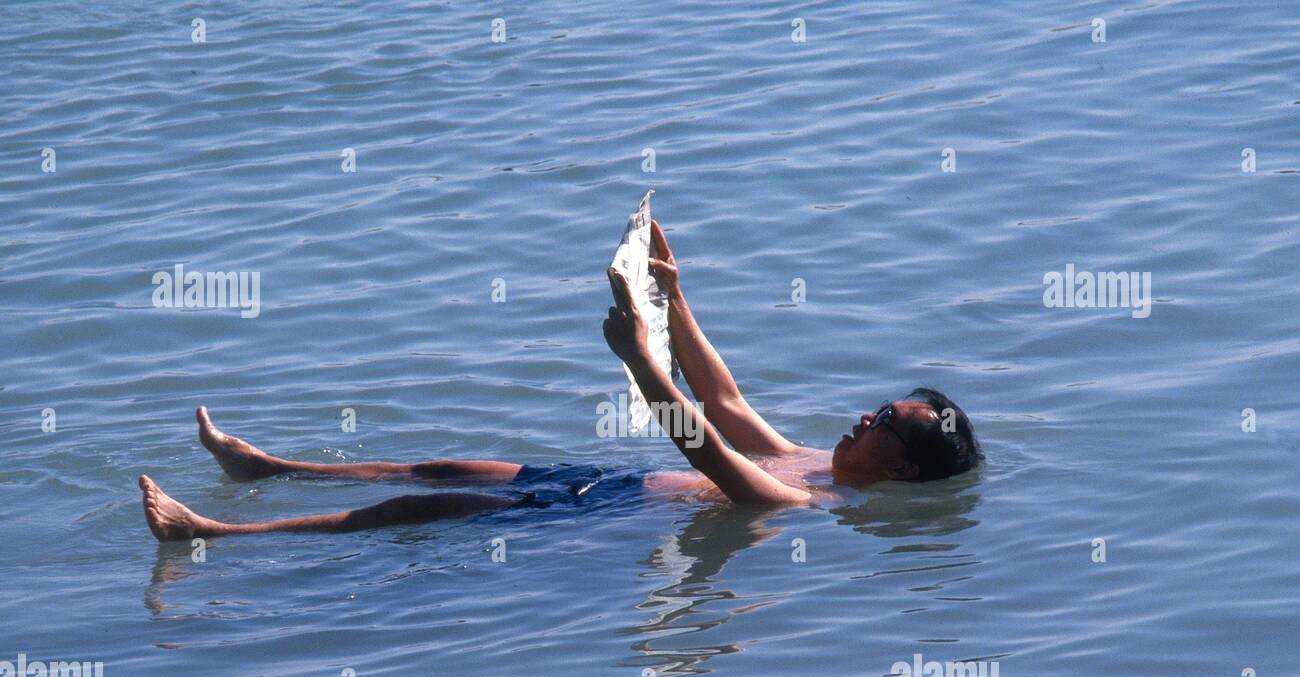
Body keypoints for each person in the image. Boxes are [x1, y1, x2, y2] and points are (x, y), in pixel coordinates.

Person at [140, 221, 980, 541]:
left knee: (412, 510)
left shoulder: (811, 503)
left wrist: (641, 365)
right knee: (444, 469)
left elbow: (712, 454)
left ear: (903, 468)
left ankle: (211, 534)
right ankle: (266, 468)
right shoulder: (811, 459)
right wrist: (675, 298)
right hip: (600, 480)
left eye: (882, 419)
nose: (862, 415)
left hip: (601, 514)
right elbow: (723, 403)